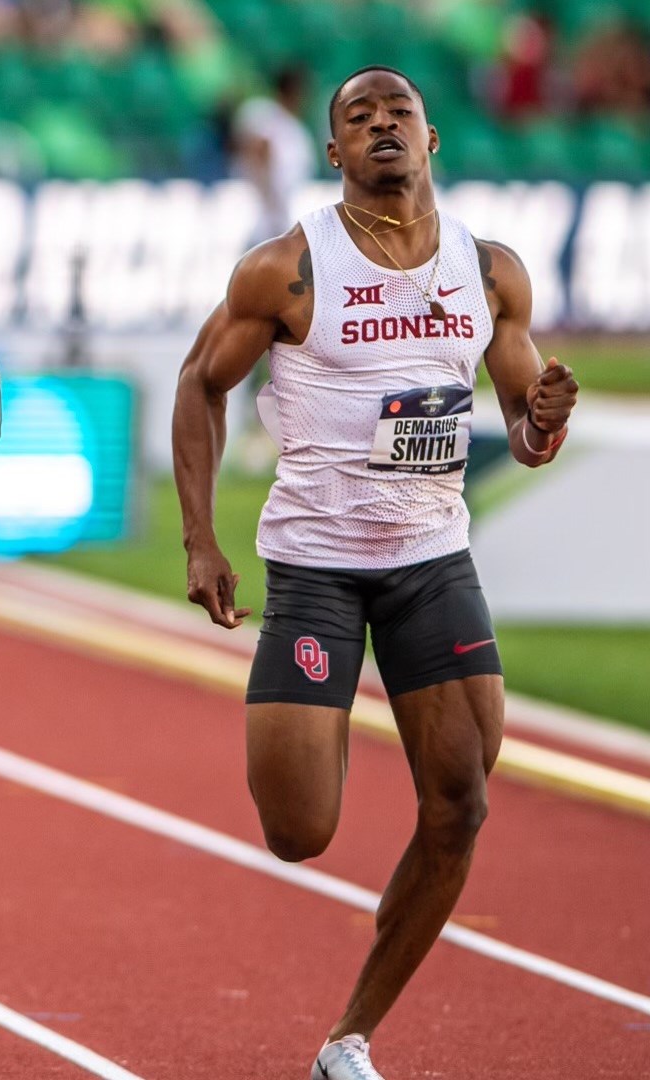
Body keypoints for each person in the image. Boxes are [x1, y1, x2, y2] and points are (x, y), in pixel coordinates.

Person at [172, 66, 578, 1080]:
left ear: (433, 139)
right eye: (360, 117)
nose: (383, 126)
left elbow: (528, 436)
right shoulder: (288, 269)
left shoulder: (489, 274)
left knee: (460, 801)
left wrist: (546, 420)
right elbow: (198, 383)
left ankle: (348, 1039)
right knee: (299, 831)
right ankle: (323, 711)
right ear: (334, 153)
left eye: (400, 113)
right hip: (315, 567)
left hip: (432, 561)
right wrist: (199, 539)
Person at [233, 66, 314, 245]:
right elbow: (255, 151)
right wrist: (271, 199)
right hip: (254, 209)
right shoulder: (264, 114)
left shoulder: (298, 132)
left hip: (280, 214)